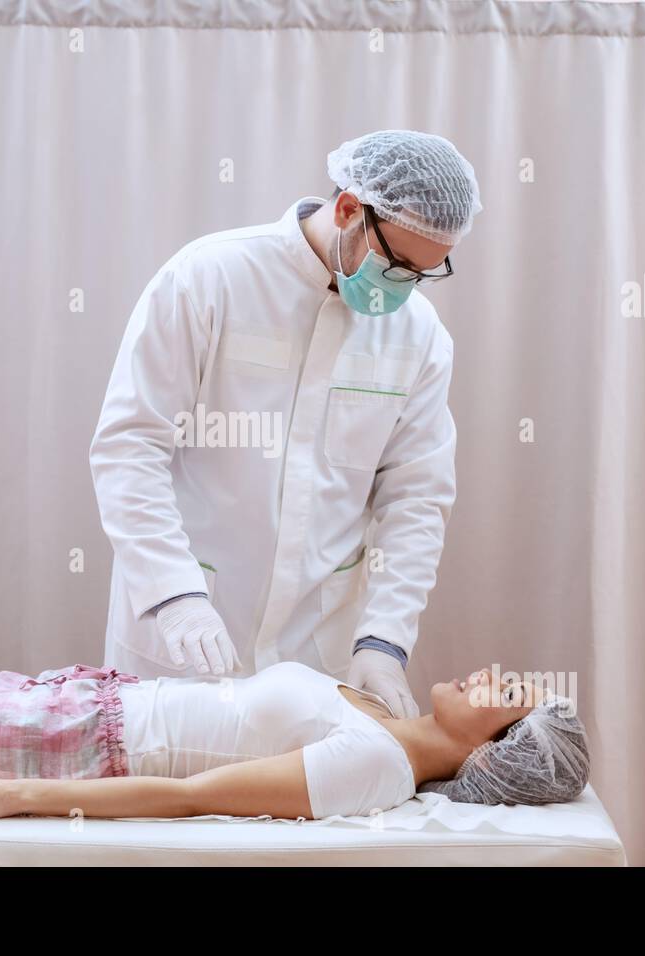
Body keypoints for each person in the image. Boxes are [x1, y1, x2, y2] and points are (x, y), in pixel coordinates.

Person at [90, 130, 483, 717]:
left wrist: (384, 641)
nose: (401, 290)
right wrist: (175, 595)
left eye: (420, 275)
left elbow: (416, 499)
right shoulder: (209, 278)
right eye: (396, 265)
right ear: (349, 209)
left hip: (316, 654)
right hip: (184, 635)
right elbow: (130, 446)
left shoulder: (419, 336)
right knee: (160, 799)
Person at [0, 660, 588, 822]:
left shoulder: (376, 768)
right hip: (72, 702)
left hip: (64, 749)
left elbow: (196, 798)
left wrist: (21, 797)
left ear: (491, 753)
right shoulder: (383, 719)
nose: (491, 672)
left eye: (506, 695)